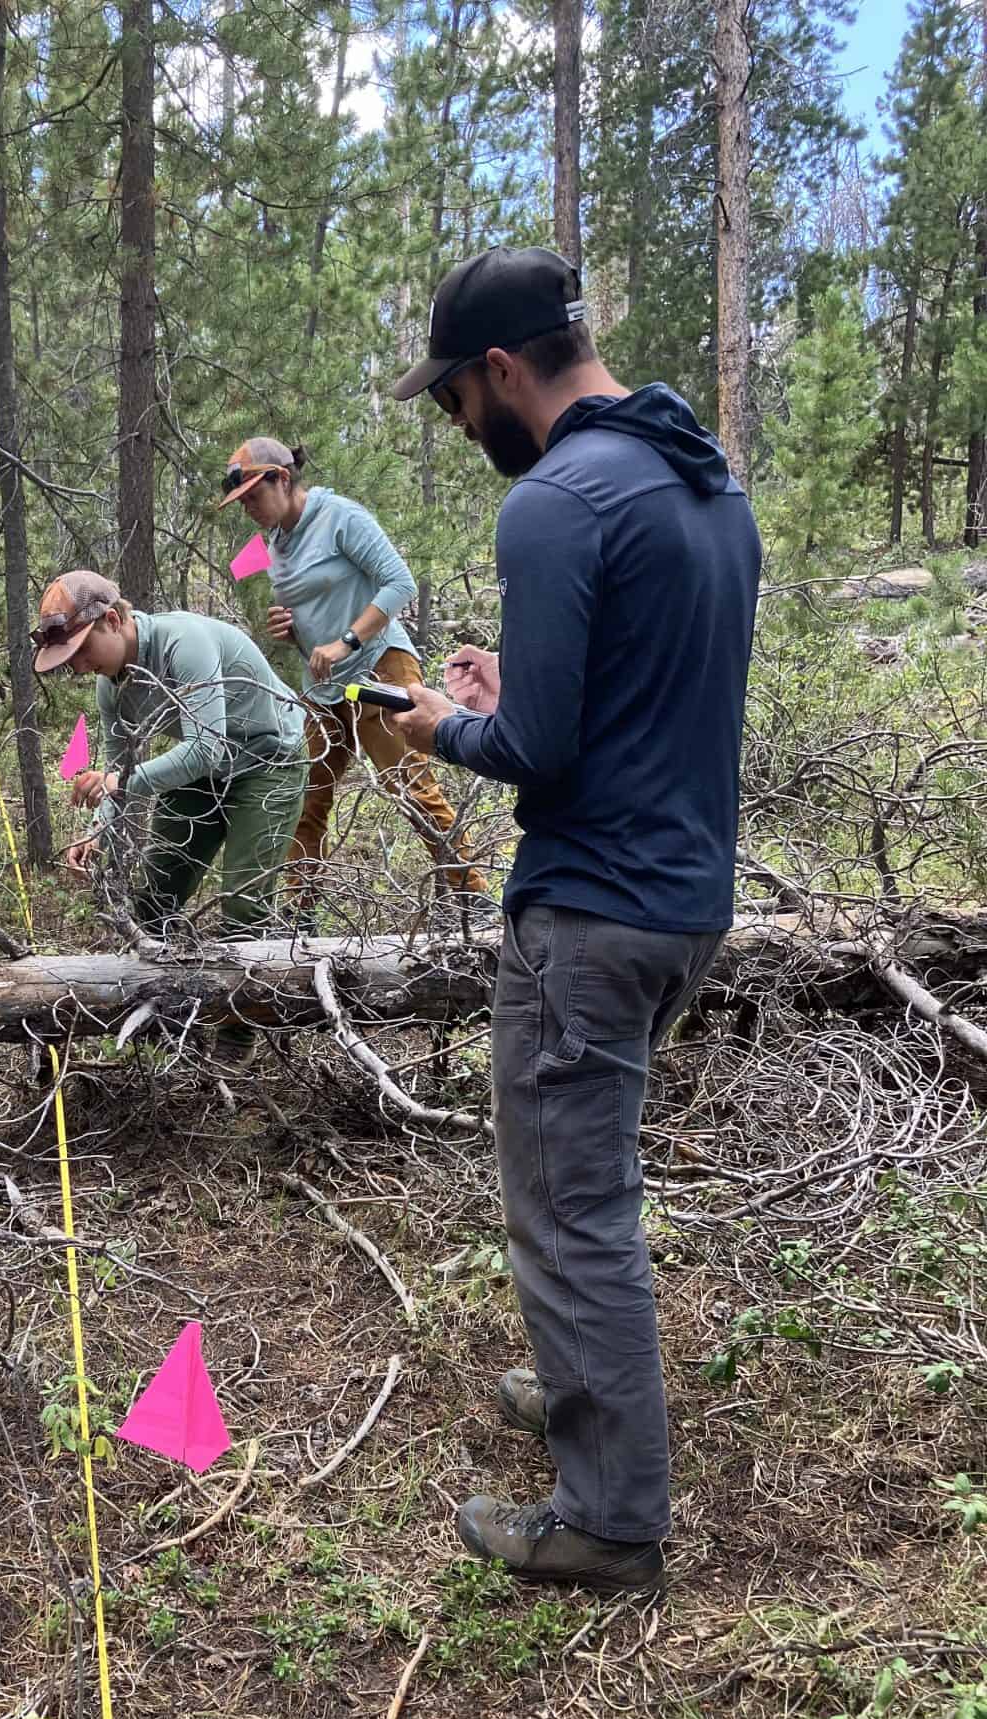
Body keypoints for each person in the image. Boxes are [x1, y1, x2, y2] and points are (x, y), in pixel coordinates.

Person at [389, 247, 762, 1592]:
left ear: (500, 373)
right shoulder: (703, 482)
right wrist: (515, 692)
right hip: (685, 903)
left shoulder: (556, 503)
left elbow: (539, 752)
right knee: (584, 1194)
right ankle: (580, 1384)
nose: (459, 425)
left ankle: (609, 1520)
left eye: (455, 400)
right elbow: (646, 695)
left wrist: (448, 723)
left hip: (590, 918)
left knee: (568, 1210)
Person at [32, 569, 307, 1060]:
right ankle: (158, 1009)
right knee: (156, 898)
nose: (79, 668)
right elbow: (122, 768)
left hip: (269, 762)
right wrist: (100, 832)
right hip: (206, 771)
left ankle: (238, 1032)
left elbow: (204, 746)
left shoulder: (186, 642)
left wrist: (116, 782)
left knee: (243, 903)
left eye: (82, 653)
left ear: (113, 620)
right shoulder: (111, 687)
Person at [219, 439, 483, 909]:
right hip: (322, 688)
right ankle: (302, 917)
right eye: (241, 503)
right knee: (308, 800)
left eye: (253, 497)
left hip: (379, 666)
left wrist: (347, 640)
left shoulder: (340, 516)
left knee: (410, 787)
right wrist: (288, 627)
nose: (249, 510)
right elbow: (311, 606)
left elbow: (399, 582)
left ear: (282, 479)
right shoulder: (276, 541)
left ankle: (473, 905)